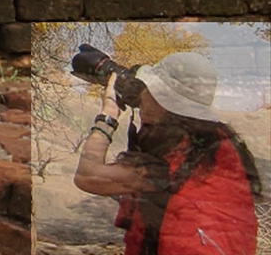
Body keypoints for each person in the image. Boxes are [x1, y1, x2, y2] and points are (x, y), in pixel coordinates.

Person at [82, 47, 261, 255]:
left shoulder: (176, 156)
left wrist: (108, 113)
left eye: (147, 90)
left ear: (164, 101)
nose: (141, 98)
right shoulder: (215, 144)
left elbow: (88, 175)